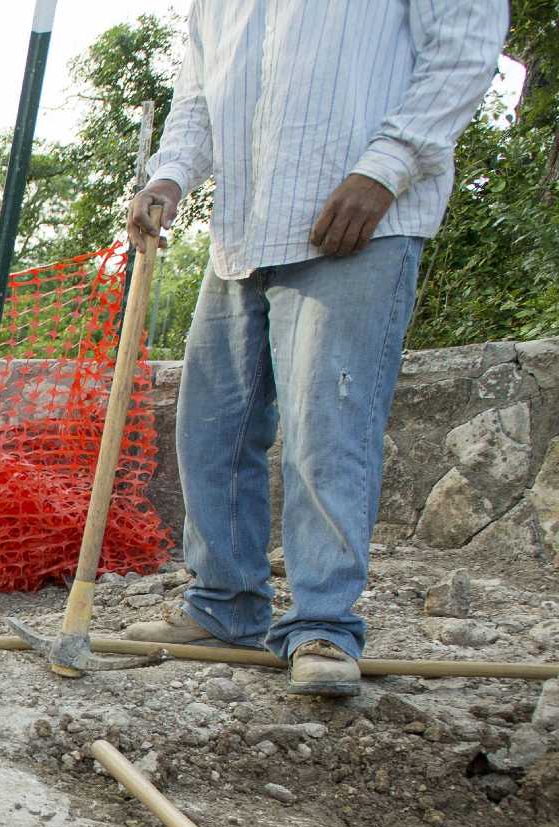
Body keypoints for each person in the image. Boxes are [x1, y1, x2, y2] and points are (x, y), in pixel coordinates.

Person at [123, 1, 507, 696]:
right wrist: (171, 174)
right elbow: (198, 94)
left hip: (355, 219)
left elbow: (464, 49)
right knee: (212, 429)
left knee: (326, 429)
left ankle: (323, 624)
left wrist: (384, 169)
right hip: (245, 226)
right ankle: (224, 608)